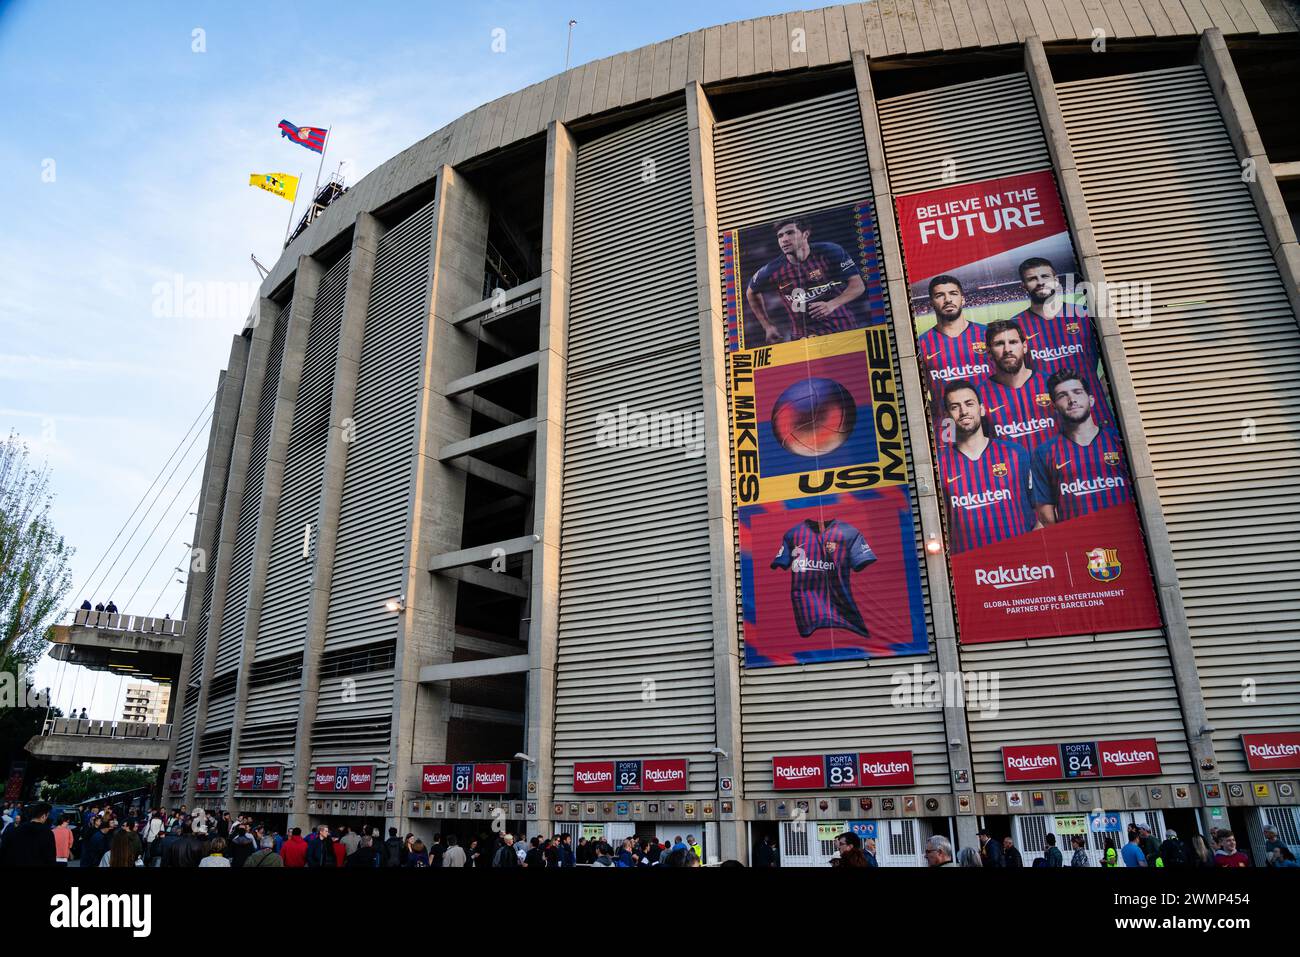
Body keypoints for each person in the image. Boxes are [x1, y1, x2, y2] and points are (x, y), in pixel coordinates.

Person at [937, 380, 1037, 553]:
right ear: (947, 417)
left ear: (981, 409)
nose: (963, 411)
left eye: (969, 404)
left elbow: (1041, 512)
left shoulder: (1014, 453)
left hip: (1025, 561)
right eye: (955, 407)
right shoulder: (939, 464)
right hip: (971, 569)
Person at [743, 216, 868, 345]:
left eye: (790, 233)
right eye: (780, 236)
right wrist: (768, 327)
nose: (784, 239)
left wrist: (832, 304)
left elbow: (858, 285)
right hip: (803, 337)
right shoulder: (772, 269)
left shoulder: (829, 251)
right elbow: (751, 292)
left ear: (805, 234)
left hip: (842, 327)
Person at [1031, 369, 1132, 526]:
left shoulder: (1118, 439)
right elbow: (1045, 512)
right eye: (1062, 396)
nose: (1072, 400)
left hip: (1125, 533)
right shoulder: (1044, 452)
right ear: (1054, 407)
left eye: (1077, 392)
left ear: (1091, 400)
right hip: (1080, 542)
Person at [917, 274, 992, 420]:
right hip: (949, 426)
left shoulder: (987, 334)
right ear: (931, 302)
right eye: (940, 295)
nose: (948, 300)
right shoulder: (922, 344)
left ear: (963, 299)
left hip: (994, 418)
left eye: (953, 293)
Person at [977, 319, 1056, 453]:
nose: (1007, 349)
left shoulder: (1051, 384)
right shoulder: (980, 395)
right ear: (989, 352)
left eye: (1013, 342)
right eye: (999, 344)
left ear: (1024, 347)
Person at [0, 802, 56, 867]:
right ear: (43, 816)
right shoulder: (47, 833)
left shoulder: (16, 829)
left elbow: (4, 850)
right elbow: (50, 858)